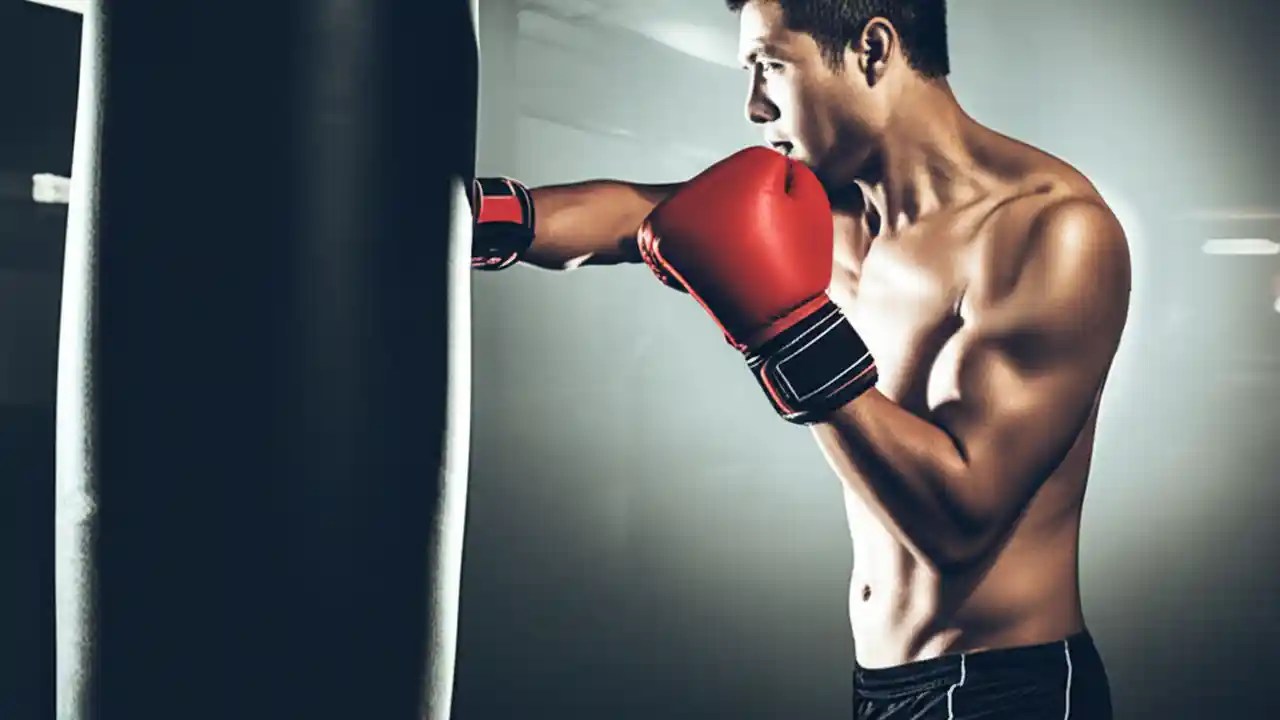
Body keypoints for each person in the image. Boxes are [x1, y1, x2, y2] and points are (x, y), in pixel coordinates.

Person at [470, 1, 1129, 717]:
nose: (754, 106)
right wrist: (468, 217)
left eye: (771, 66)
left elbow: (960, 525)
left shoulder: (1052, 232)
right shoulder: (835, 211)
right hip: (878, 683)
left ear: (874, 50)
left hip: (1008, 692)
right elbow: (642, 218)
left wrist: (782, 332)